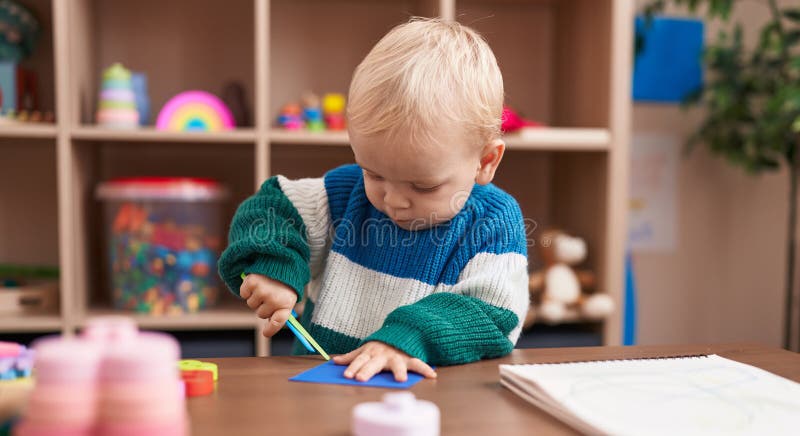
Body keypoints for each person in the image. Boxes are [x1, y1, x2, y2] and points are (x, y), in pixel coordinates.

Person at [219, 17, 529, 382]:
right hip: (320, 392)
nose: (394, 200)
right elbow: (273, 210)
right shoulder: (344, 194)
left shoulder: (493, 221)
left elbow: (493, 312)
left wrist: (405, 339)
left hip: (431, 404)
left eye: (423, 186)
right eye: (375, 174)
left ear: (486, 161)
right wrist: (275, 268)